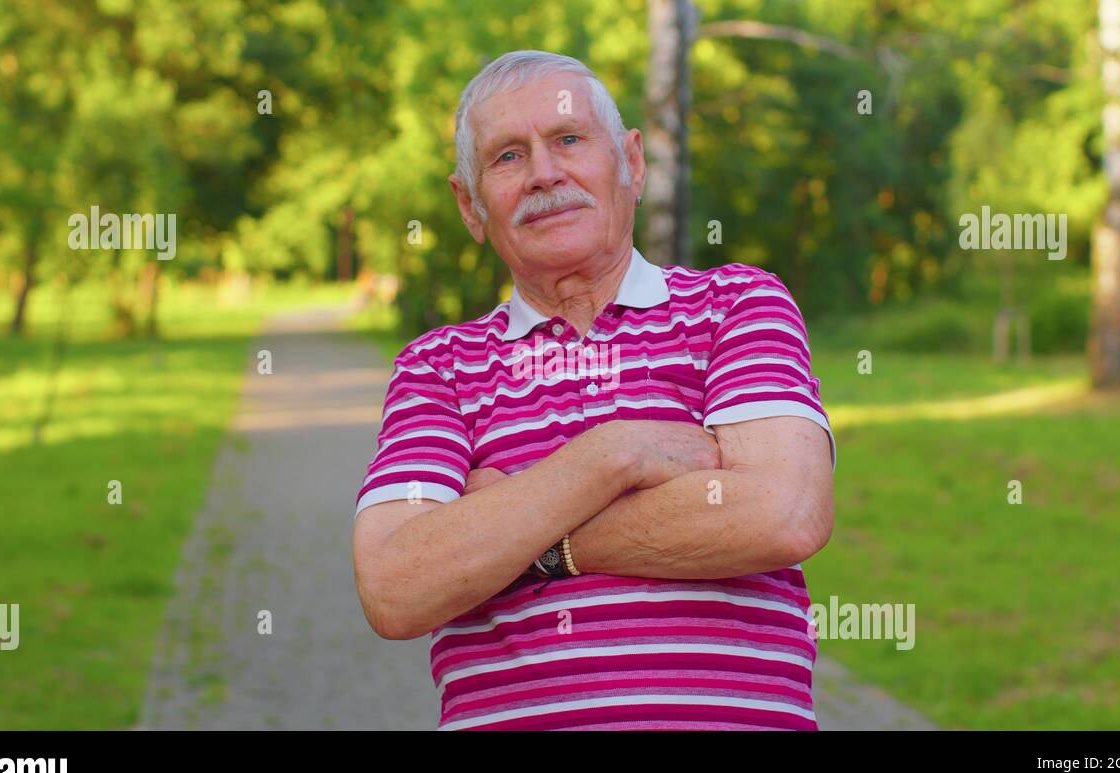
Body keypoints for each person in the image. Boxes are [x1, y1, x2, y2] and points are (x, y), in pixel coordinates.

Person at [352, 50, 835, 730]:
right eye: (508, 157)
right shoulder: (439, 367)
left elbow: (784, 512)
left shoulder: (737, 305)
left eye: (569, 139)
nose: (545, 173)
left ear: (631, 162)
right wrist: (613, 454)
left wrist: (528, 534)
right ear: (470, 204)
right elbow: (396, 585)